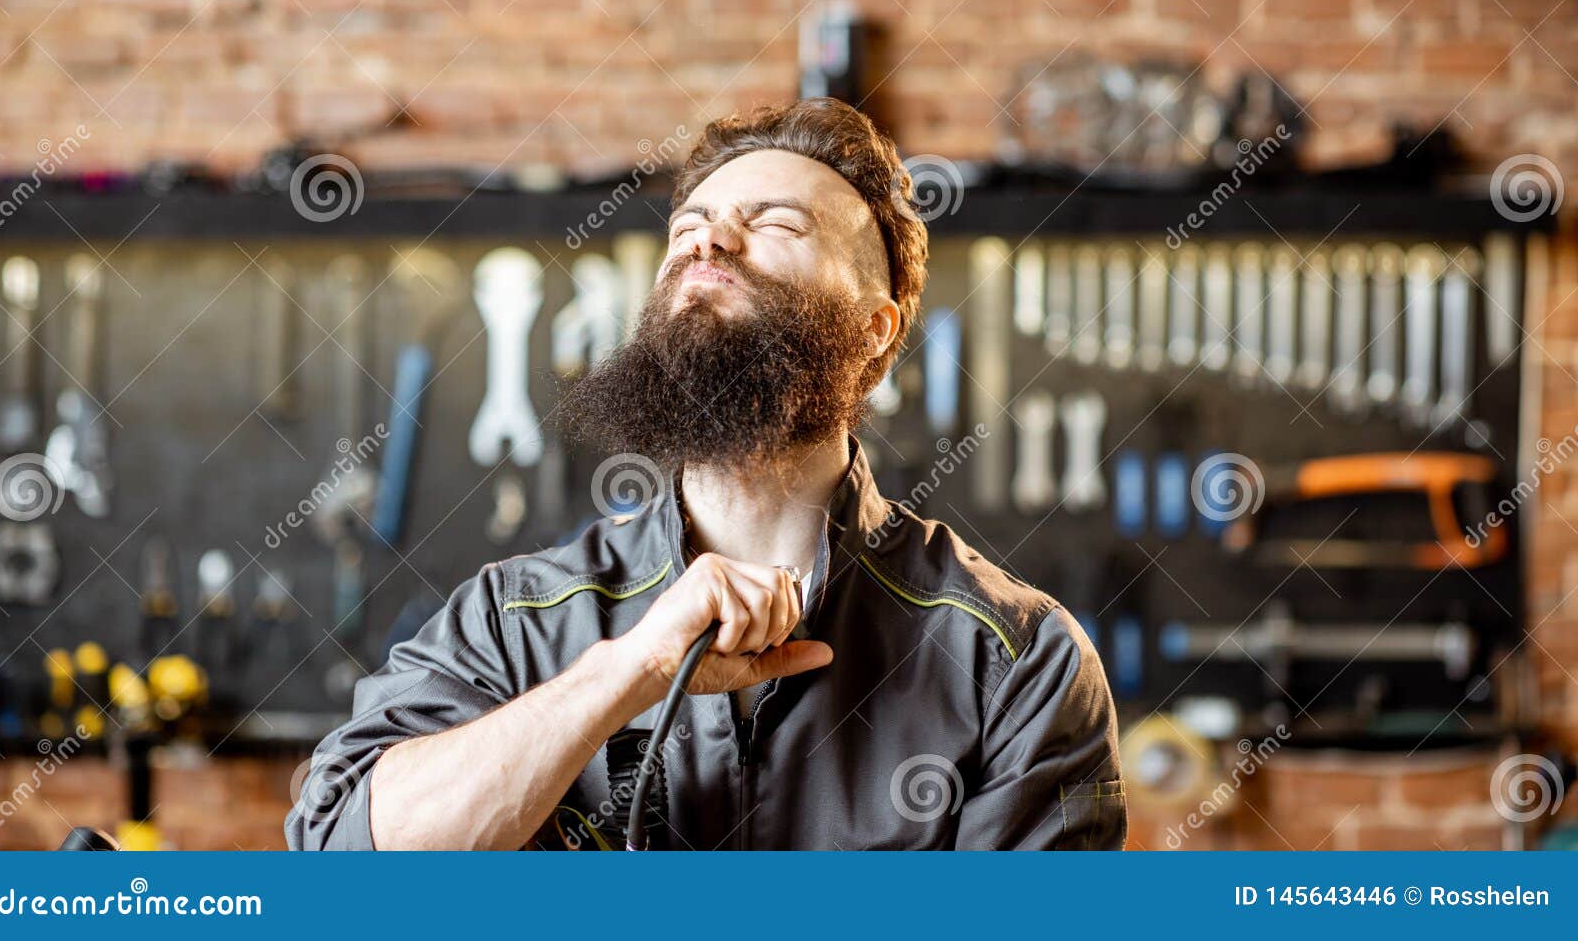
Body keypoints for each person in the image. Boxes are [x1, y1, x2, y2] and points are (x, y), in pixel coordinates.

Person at [286, 98, 1125, 850]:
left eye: (778, 225)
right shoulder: (515, 624)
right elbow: (341, 856)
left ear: (876, 329)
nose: (708, 241)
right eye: (689, 225)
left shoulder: (1013, 664)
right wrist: (630, 673)